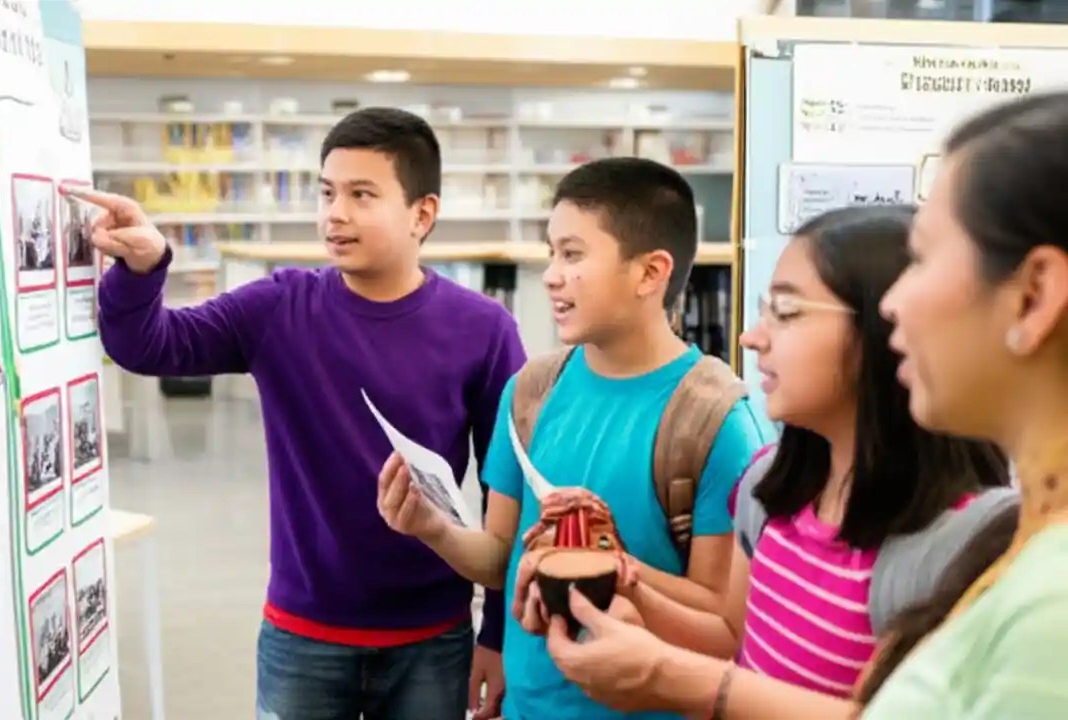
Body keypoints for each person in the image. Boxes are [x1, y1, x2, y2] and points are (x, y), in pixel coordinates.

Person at [540, 91, 1068, 719]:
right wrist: (627, 592)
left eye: (925, 261)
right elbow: (744, 639)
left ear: (1035, 294)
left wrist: (673, 677)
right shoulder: (775, 485)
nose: (897, 305)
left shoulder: (1008, 567)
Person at [77, 107, 525, 720]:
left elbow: (512, 493)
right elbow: (147, 345)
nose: (335, 213)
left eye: (362, 195)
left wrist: (496, 635)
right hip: (304, 633)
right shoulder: (279, 307)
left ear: (422, 213)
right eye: (327, 193)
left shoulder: (484, 330)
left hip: (434, 637)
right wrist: (144, 267)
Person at [512, 205, 1012, 700]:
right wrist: (620, 583)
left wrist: (665, 677)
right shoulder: (767, 489)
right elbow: (734, 638)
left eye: (787, 312)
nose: (753, 338)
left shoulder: (963, 551)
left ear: (893, 329)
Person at [377, 157, 766, 719]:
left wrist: (607, 568)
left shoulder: (717, 422)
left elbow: (724, 627)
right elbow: (502, 557)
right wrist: (430, 526)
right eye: (552, 253)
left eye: (574, 254)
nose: (552, 274)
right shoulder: (531, 390)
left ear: (651, 273)